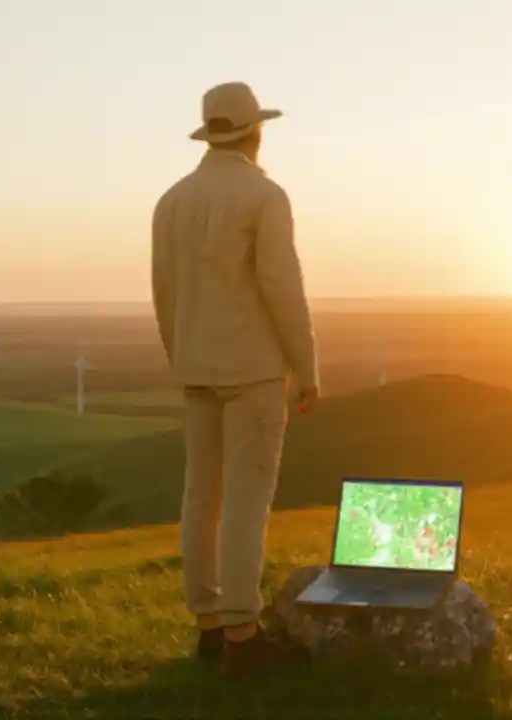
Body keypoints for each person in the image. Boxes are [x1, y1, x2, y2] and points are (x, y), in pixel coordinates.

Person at [151, 81, 320, 677]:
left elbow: (164, 292)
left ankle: (208, 625)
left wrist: (181, 356)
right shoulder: (264, 196)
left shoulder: (171, 201)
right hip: (253, 371)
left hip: (195, 366)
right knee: (246, 500)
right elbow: (282, 286)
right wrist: (306, 366)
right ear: (257, 131)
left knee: (201, 497)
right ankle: (243, 636)